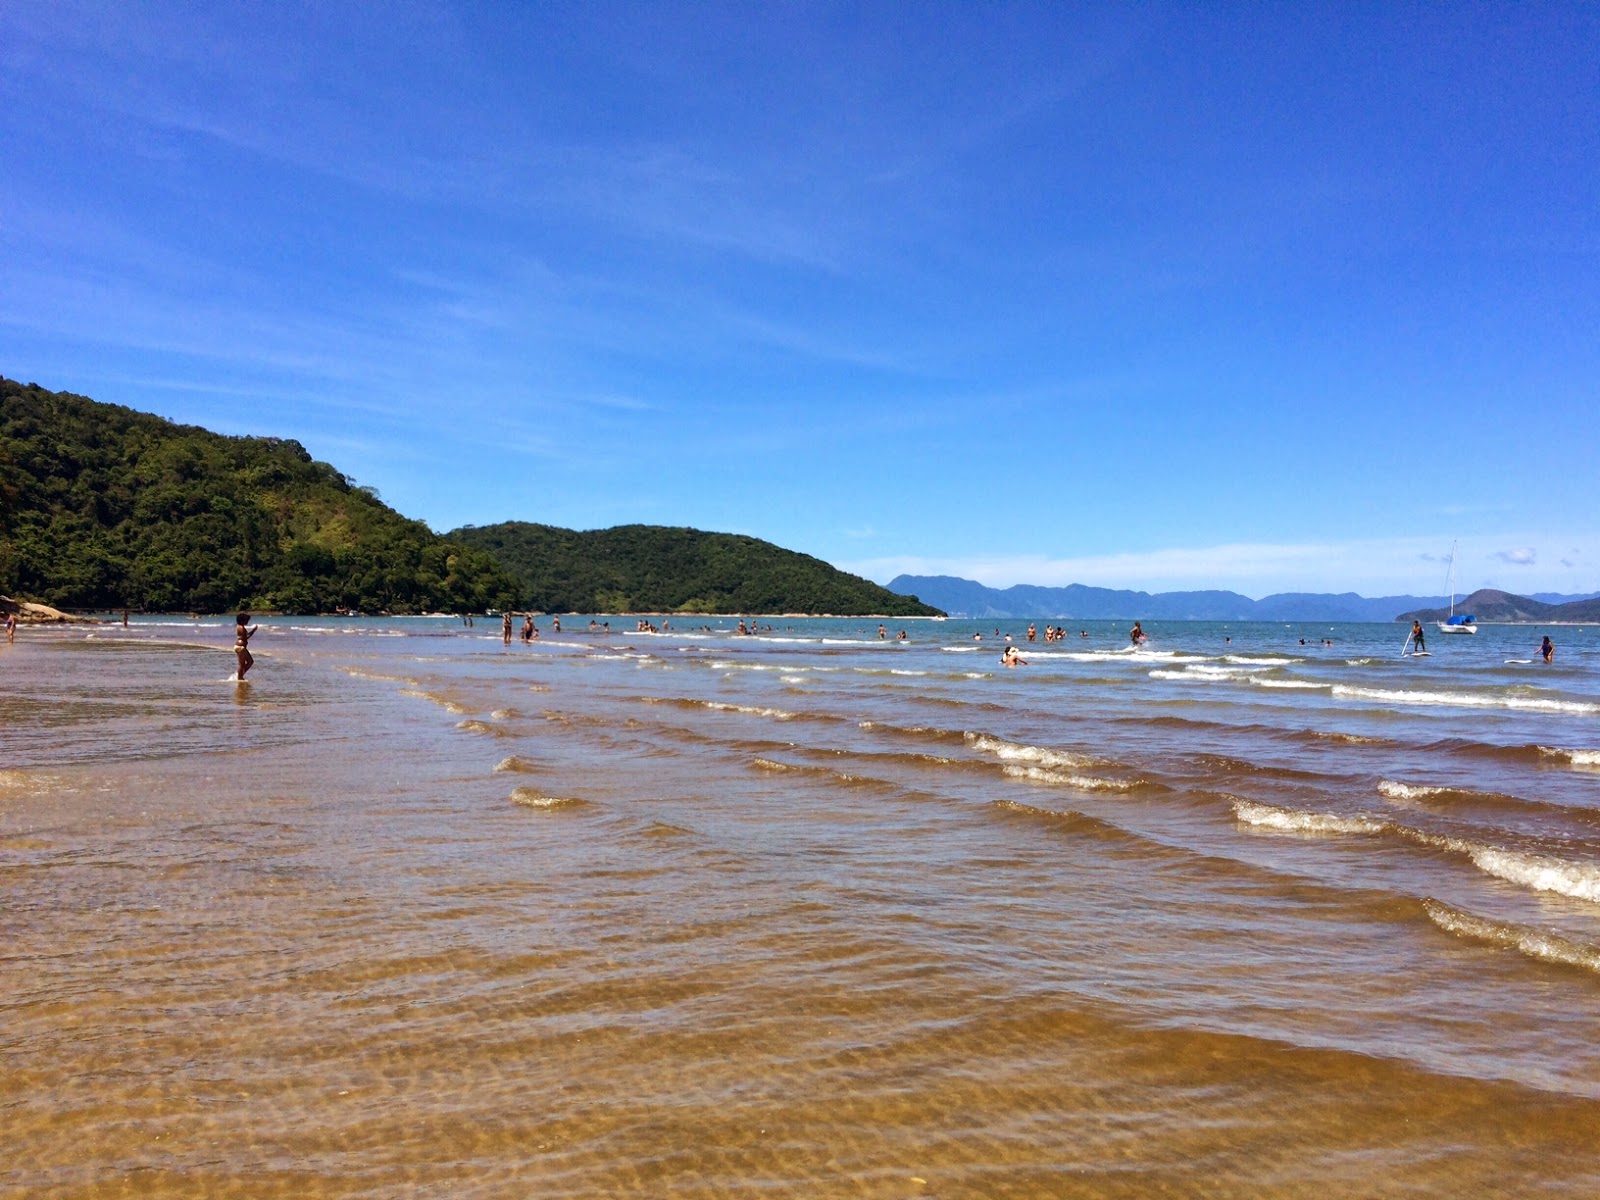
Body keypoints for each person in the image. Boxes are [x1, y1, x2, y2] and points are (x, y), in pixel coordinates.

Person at [234, 612, 257, 680]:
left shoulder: (239, 627)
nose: (247, 622)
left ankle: (239, 676)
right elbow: (246, 637)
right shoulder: (241, 628)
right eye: (246, 620)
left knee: (246, 663)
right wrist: (253, 630)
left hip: (239, 647)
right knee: (246, 663)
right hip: (241, 647)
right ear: (242, 620)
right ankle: (239, 677)